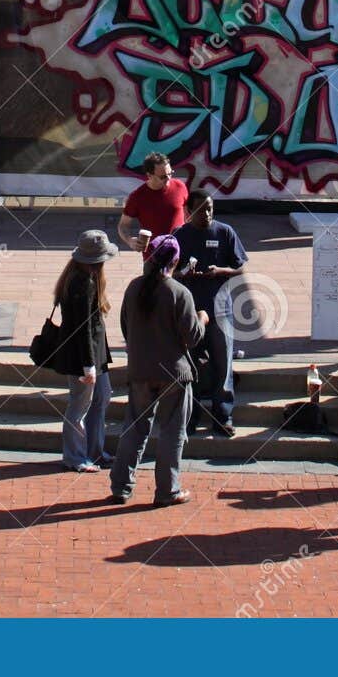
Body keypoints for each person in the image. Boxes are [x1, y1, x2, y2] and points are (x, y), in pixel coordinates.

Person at [109, 235, 207, 507]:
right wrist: (202, 318)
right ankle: (167, 489)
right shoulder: (178, 292)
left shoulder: (134, 288)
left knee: (134, 428)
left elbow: (126, 327)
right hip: (173, 372)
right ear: (176, 260)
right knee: (172, 432)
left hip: (140, 368)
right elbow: (193, 336)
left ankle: (121, 485)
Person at [174, 191, 246, 437]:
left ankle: (223, 415)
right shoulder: (180, 236)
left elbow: (241, 268)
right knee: (190, 364)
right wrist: (183, 274)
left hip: (221, 310)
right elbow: (169, 271)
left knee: (223, 363)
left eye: (210, 209)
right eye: (201, 209)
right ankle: (189, 417)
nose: (206, 214)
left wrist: (221, 271)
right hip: (190, 312)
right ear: (188, 211)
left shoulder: (225, 232)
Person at [56, 231, 118, 472]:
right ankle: (75, 456)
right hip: (85, 356)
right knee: (79, 405)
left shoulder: (79, 278)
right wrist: (88, 364)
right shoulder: (84, 284)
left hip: (93, 353)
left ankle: (94, 450)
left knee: (101, 396)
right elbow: (83, 329)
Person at [118, 153, 188, 255]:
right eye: (163, 176)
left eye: (170, 173)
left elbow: (187, 215)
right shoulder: (137, 197)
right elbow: (123, 225)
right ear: (149, 175)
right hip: (154, 255)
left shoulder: (180, 187)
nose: (168, 179)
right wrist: (130, 241)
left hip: (181, 250)